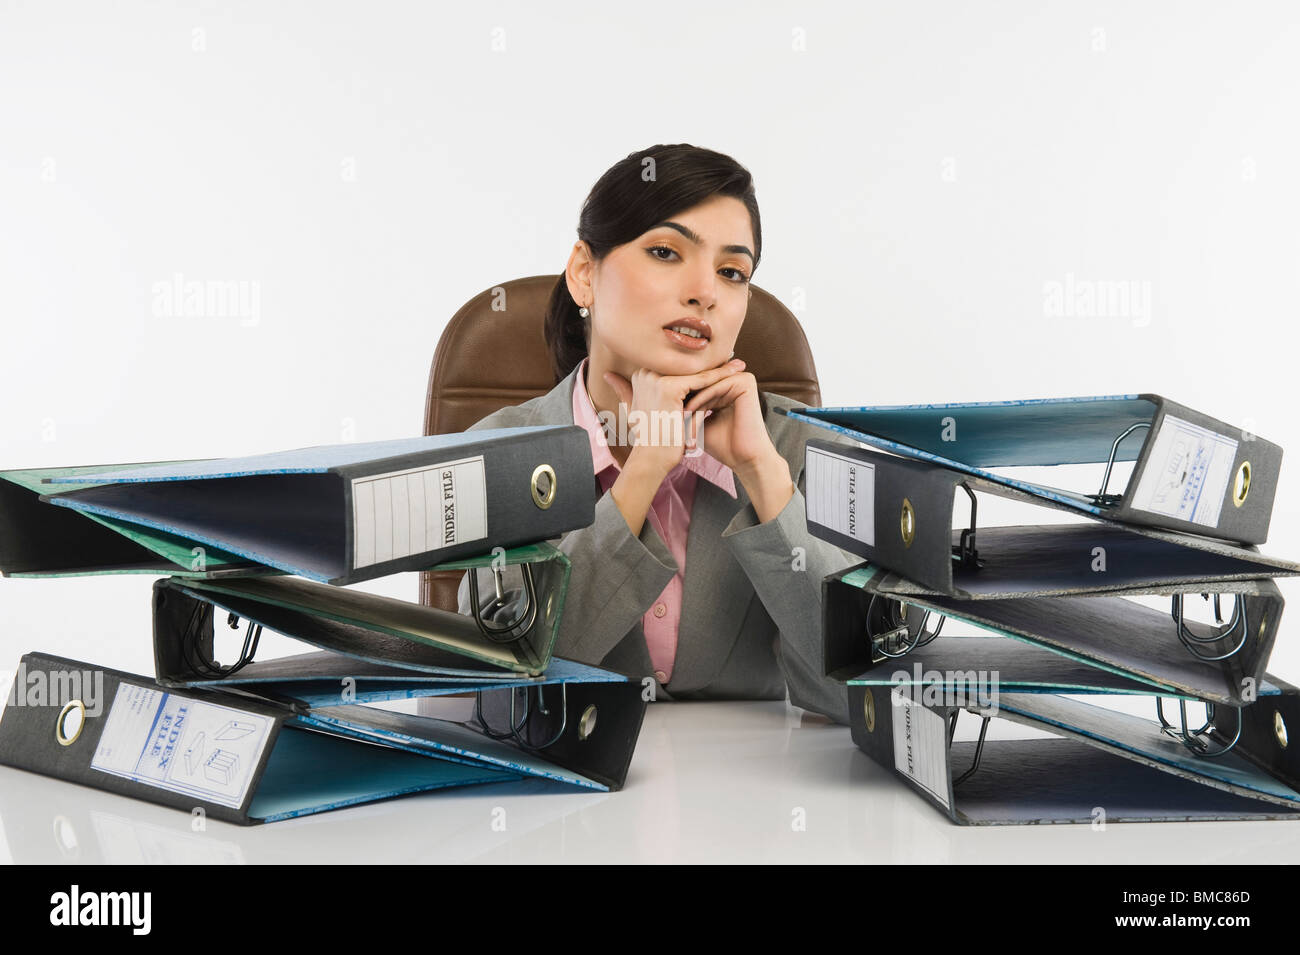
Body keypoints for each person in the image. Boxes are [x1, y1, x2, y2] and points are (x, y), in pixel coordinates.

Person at [456, 143, 862, 724]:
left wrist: (762, 473)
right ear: (584, 273)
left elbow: (860, 696)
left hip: (757, 798)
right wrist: (644, 469)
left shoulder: (803, 451)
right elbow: (505, 688)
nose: (706, 291)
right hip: (566, 805)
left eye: (732, 271)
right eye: (666, 252)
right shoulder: (494, 455)